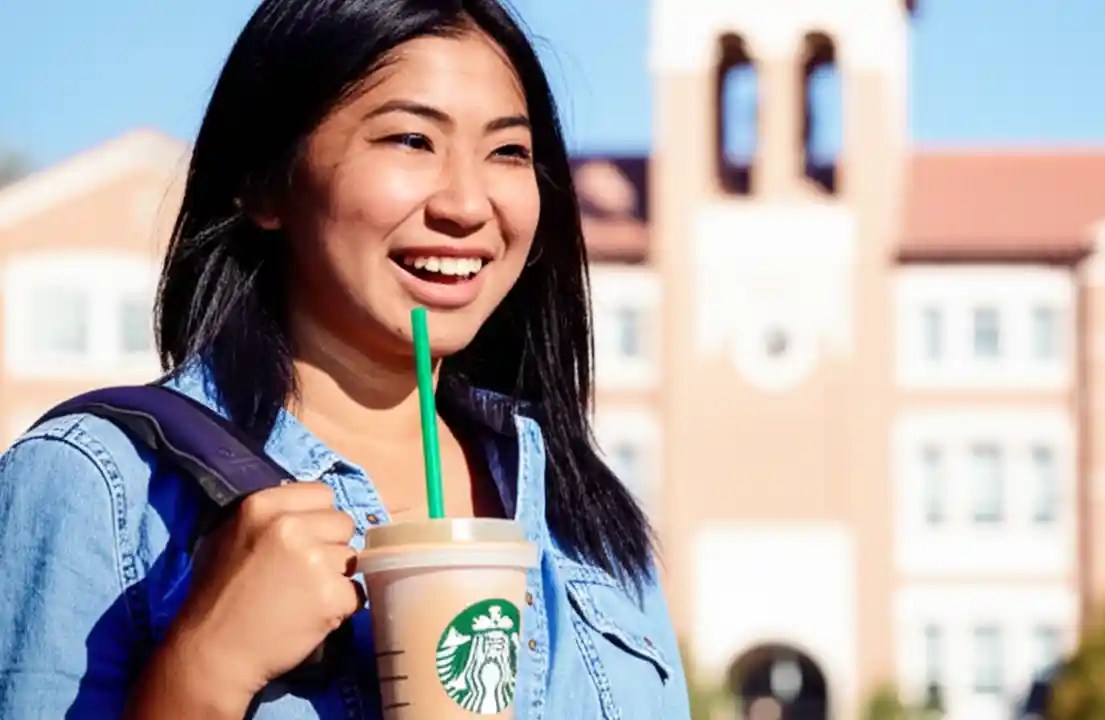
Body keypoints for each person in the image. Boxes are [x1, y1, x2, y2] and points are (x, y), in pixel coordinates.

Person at [0, 0, 690, 717]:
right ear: (266, 181)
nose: (466, 202)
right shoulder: (99, 485)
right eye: (412, 139)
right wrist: (203, 671)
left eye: (508, 151)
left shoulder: (578, 506)